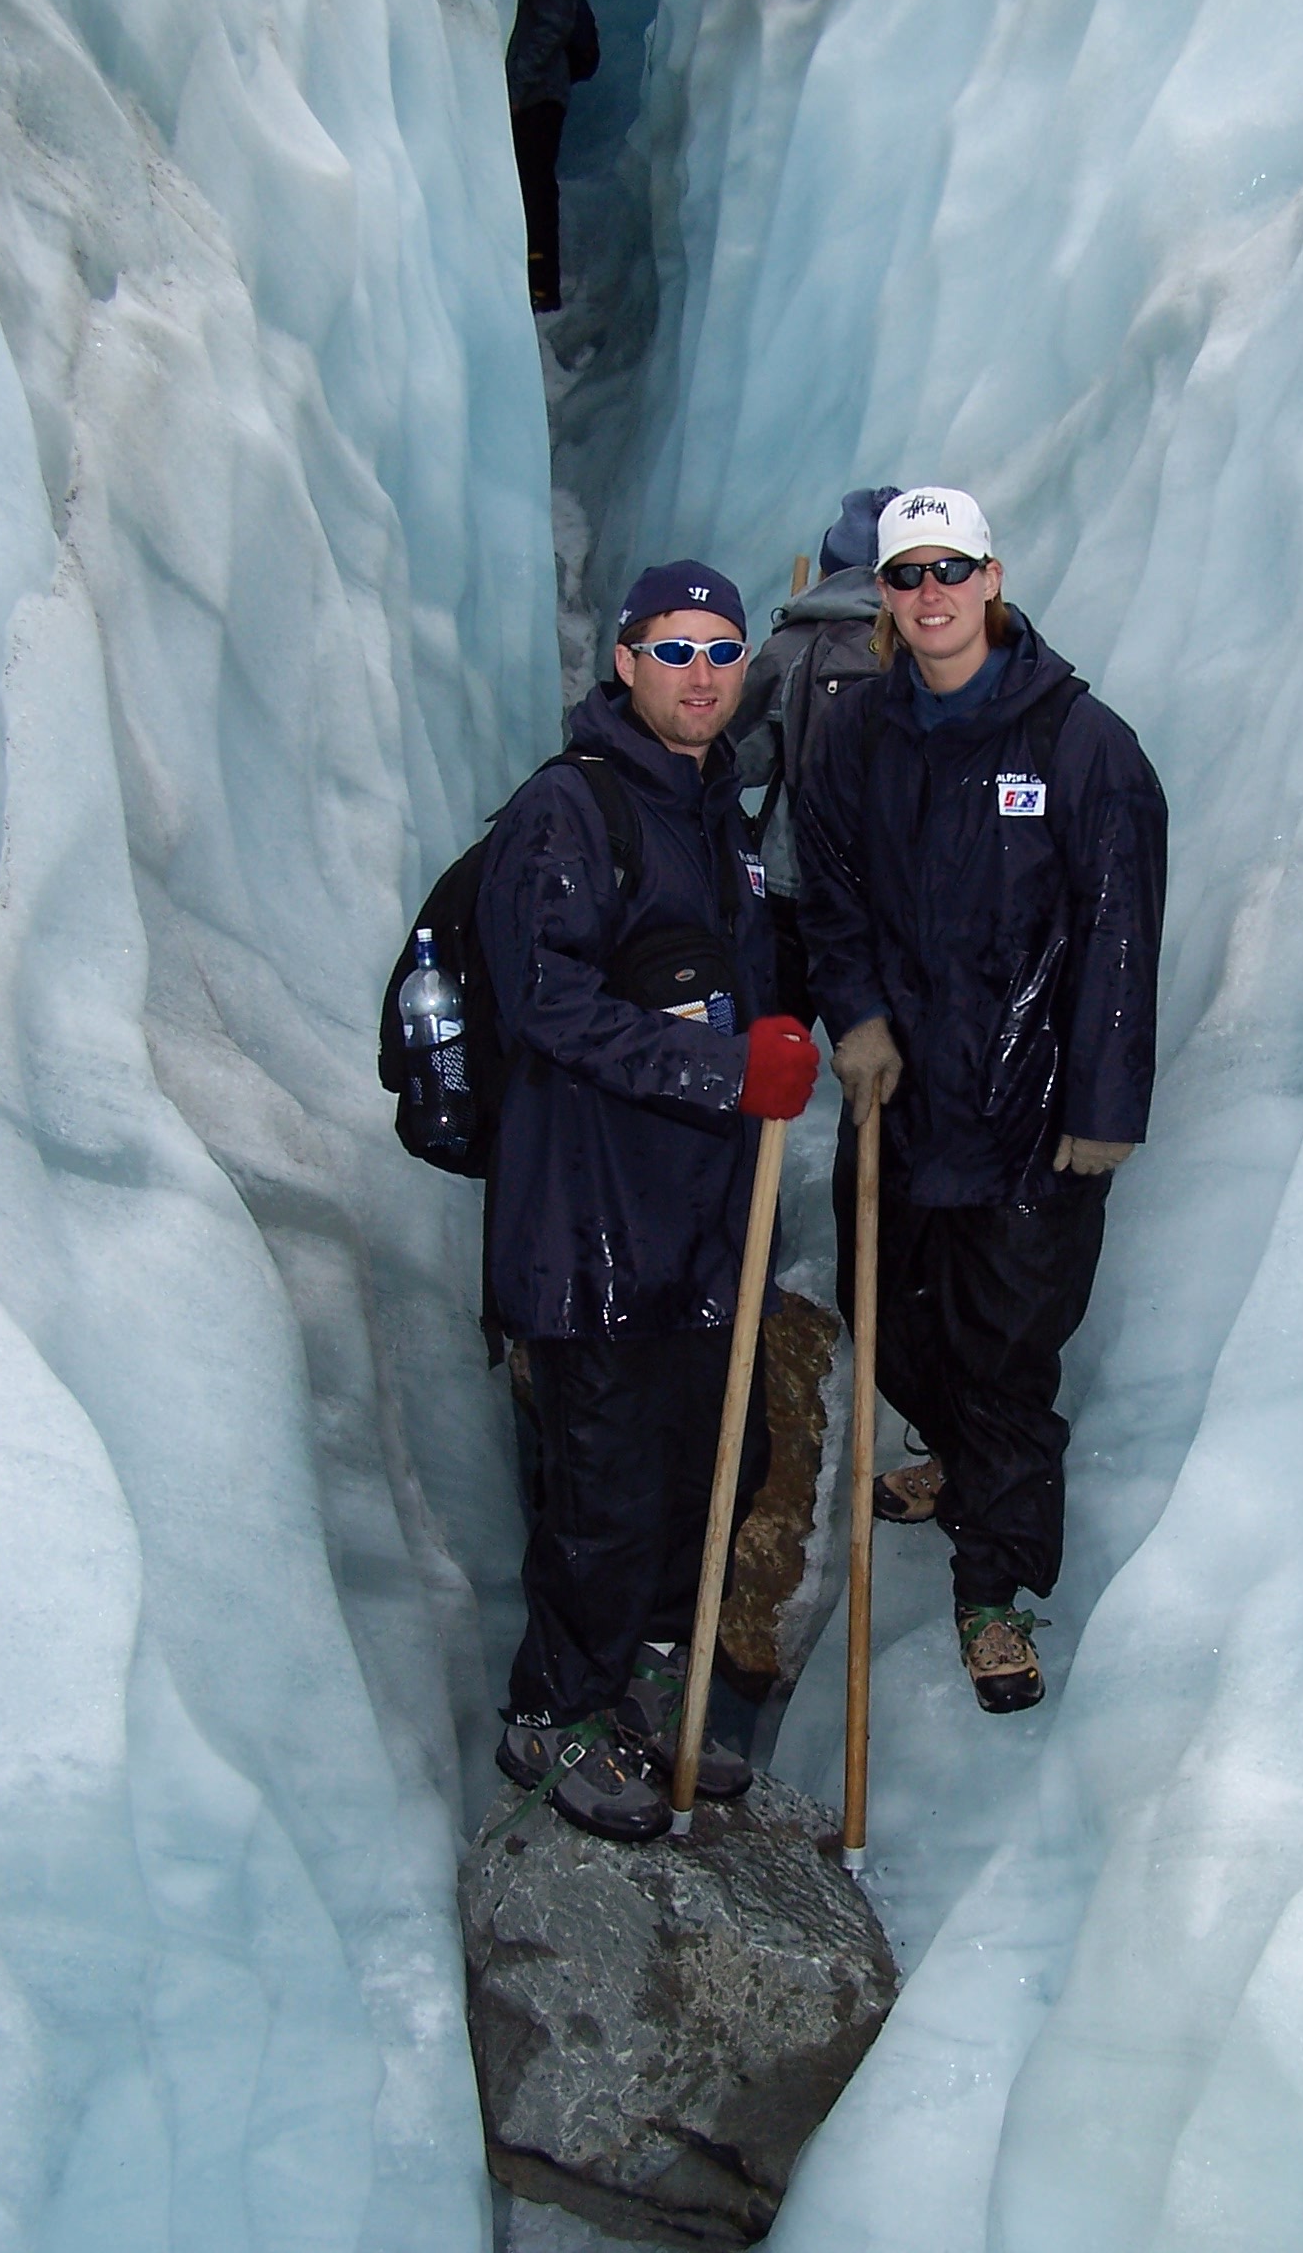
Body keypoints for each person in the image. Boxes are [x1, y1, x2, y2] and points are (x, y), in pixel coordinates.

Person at [796, 488, 1167, 1714]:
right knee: (888, 1305)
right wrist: (853, 1016)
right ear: (885, 600)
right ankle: (954, 1460)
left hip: (1030, 1115)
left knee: (1008, 1352)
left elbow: (1120, 930)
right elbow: (834, 896)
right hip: (903, 1103)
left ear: (993, 578)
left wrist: (1103, 1102)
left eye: (952, 569)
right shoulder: (859, 739)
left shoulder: (1080, 742)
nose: (931, 594)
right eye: (907, 576)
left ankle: (996, 1592)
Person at [477, 560, 820, 1838]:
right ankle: (549, 1716)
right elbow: (546, 1004)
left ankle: (644, 1681)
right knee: (608, 1490)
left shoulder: (710, 814)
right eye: (674, 650)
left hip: (699, 1228)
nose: (701, 674)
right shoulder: (569, 814)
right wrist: (726, 1068)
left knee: (709, 1477)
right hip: (591, 1228)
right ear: (624, 661)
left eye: (723, 652)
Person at [729, 488, 900, 1024]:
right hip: (889, 893)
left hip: (791, 885)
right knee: (877, 1063)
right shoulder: (930, 651)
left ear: (827, 569)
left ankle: (769, 1110)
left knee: (775, 1044)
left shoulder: (793, 646)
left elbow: (742, 763)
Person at [507, 0, 600, 313]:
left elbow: (555, 17)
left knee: (534, 185)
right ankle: (531, 283)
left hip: (539, 92)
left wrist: (518, 83)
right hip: (531, 90)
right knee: (527, 184)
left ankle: (542, 289)